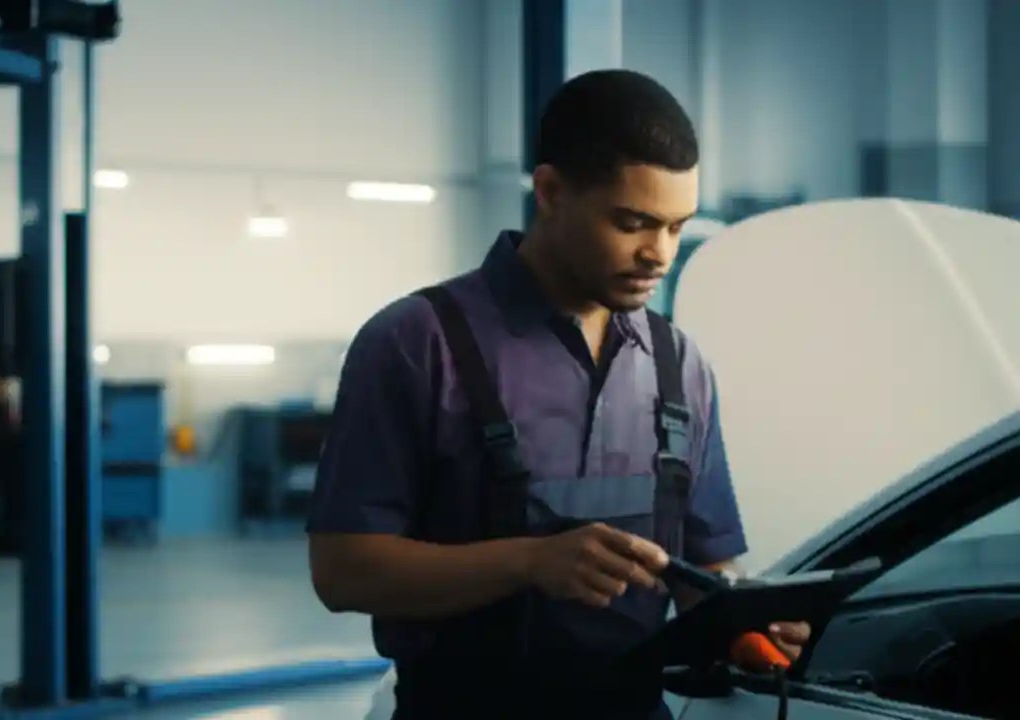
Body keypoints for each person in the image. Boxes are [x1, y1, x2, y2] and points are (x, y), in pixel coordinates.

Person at [306, 69, 809, 719]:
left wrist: (744, 625)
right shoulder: (416, 345)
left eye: (677, 226)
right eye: (633, 222)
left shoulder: (677, 365)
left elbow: (708, 571)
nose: (659, 253)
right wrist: (529, 562)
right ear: (551, 191)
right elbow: (343, 571)